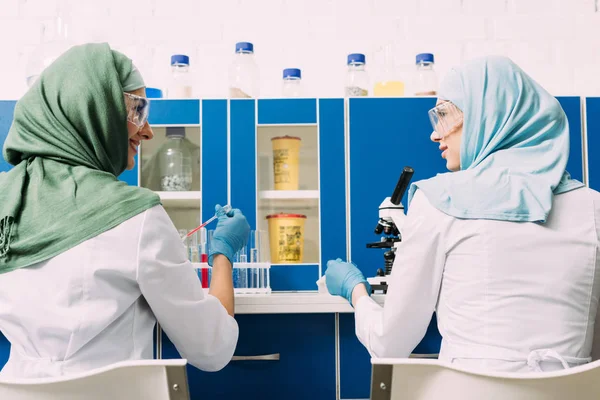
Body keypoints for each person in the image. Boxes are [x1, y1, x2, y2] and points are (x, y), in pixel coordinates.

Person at [325, 55, 600, 373]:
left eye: (444, 115)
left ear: (488, 116)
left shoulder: (437, 201)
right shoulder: (594, 209)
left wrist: (355, 290)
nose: (435, 134)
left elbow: (390, 344)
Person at [0, 43, 250, 379]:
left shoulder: (7, 203)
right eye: (138, 112)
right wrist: (223, 255)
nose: (147, 131)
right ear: (92, 110)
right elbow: (212, 347)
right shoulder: (135, 216)